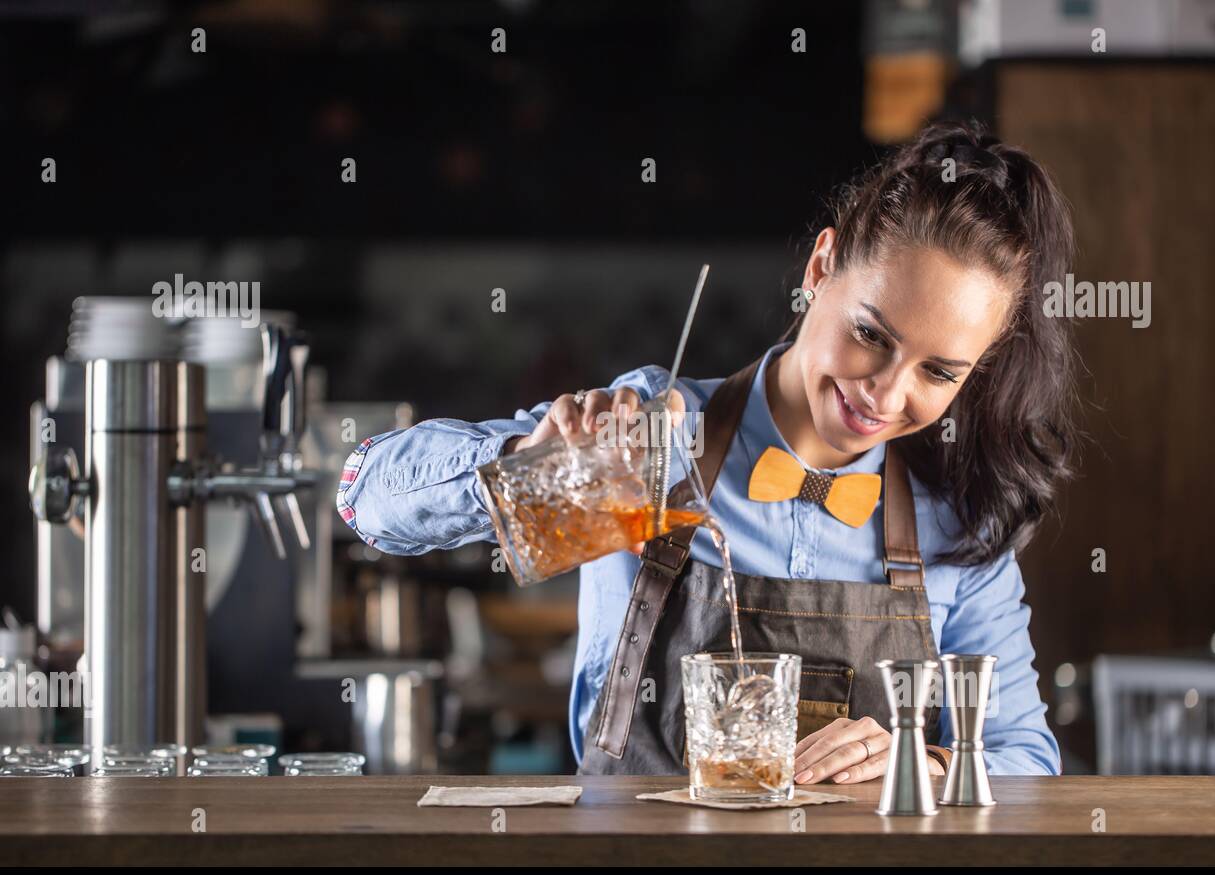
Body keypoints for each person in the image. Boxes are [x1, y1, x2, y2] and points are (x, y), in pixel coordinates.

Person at [337, 120, 1077, 781]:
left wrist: (929, 759)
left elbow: (1027, 759)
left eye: (938, 372)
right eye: (871, 335)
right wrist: (526, 469)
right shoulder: (655, 439)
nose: (885, 392)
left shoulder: (957, 519)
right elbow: (364, 498)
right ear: (821, 269)